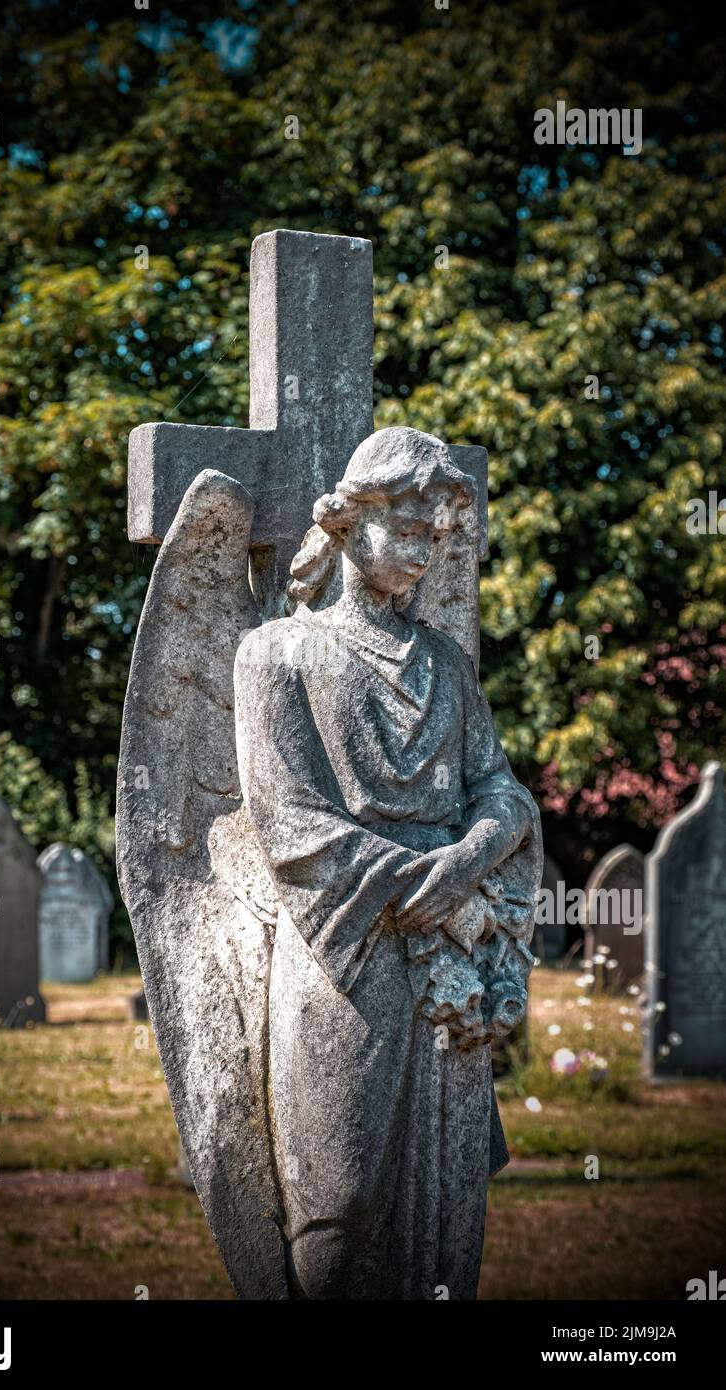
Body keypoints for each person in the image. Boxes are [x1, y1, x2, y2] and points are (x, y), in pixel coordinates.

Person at [233, 427, 542, 1299]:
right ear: (350, 522)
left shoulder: (446, 664)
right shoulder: (278, 658)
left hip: (446, 967)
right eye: (406, 531)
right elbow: (294, 832)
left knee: (447, 1206)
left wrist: (474, 852)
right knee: (341, 1205)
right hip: (344, 965)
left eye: (436, 538)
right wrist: (443, 886)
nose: (423, 555)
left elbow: (504, 794)